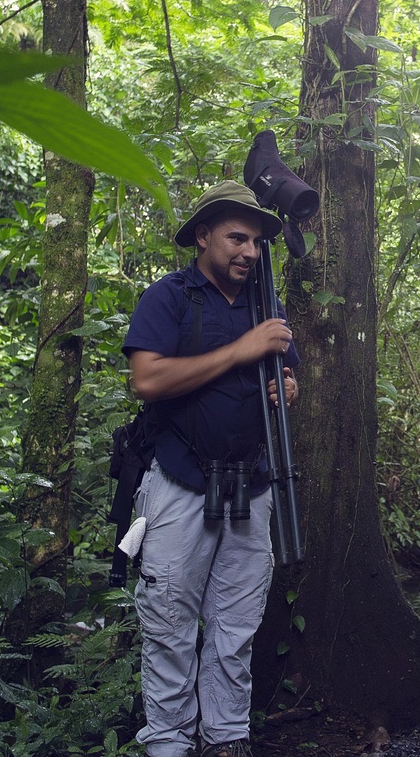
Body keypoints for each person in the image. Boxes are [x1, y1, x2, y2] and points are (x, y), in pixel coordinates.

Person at [123, 180, 301, 757]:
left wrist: (285, 388)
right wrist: (241, 351)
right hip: (179, 483)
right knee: (169, 622)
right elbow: (147, 380)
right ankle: (170, 744)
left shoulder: (266, 301)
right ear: (203, 237)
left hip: (251, 484)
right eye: (236, 238)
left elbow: (285, 374)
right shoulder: (169, 298)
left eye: (254, 242)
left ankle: (226, 738)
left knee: (236, 625)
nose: (248, 251)